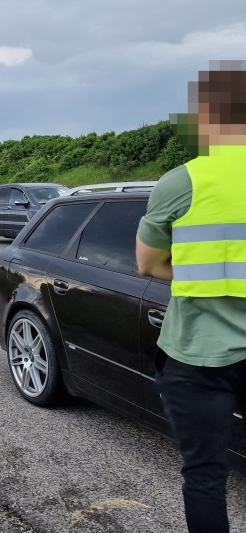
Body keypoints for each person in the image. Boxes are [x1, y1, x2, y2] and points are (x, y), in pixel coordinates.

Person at [136, 61, 246, 533]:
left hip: (198, 355)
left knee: (205, 476)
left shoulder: (182, 182)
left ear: (204, 116)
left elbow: (147, 264)